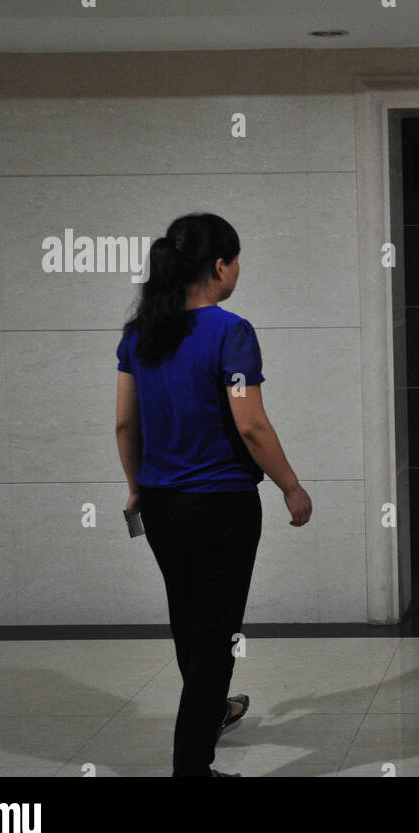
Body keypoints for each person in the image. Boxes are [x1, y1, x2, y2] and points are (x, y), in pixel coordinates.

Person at [114, 213, 312, 777]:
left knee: (188, 619)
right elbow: (250, 425)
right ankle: (191, 767)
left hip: (158, 500)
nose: (238, 270)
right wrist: (291, 486)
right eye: (237, 260)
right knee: (215, 635)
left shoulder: (140, 333)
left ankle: (210, 714)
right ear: (220, 266)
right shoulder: (230, 331)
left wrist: (135, 487)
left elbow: (125, 426)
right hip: (220, 503)